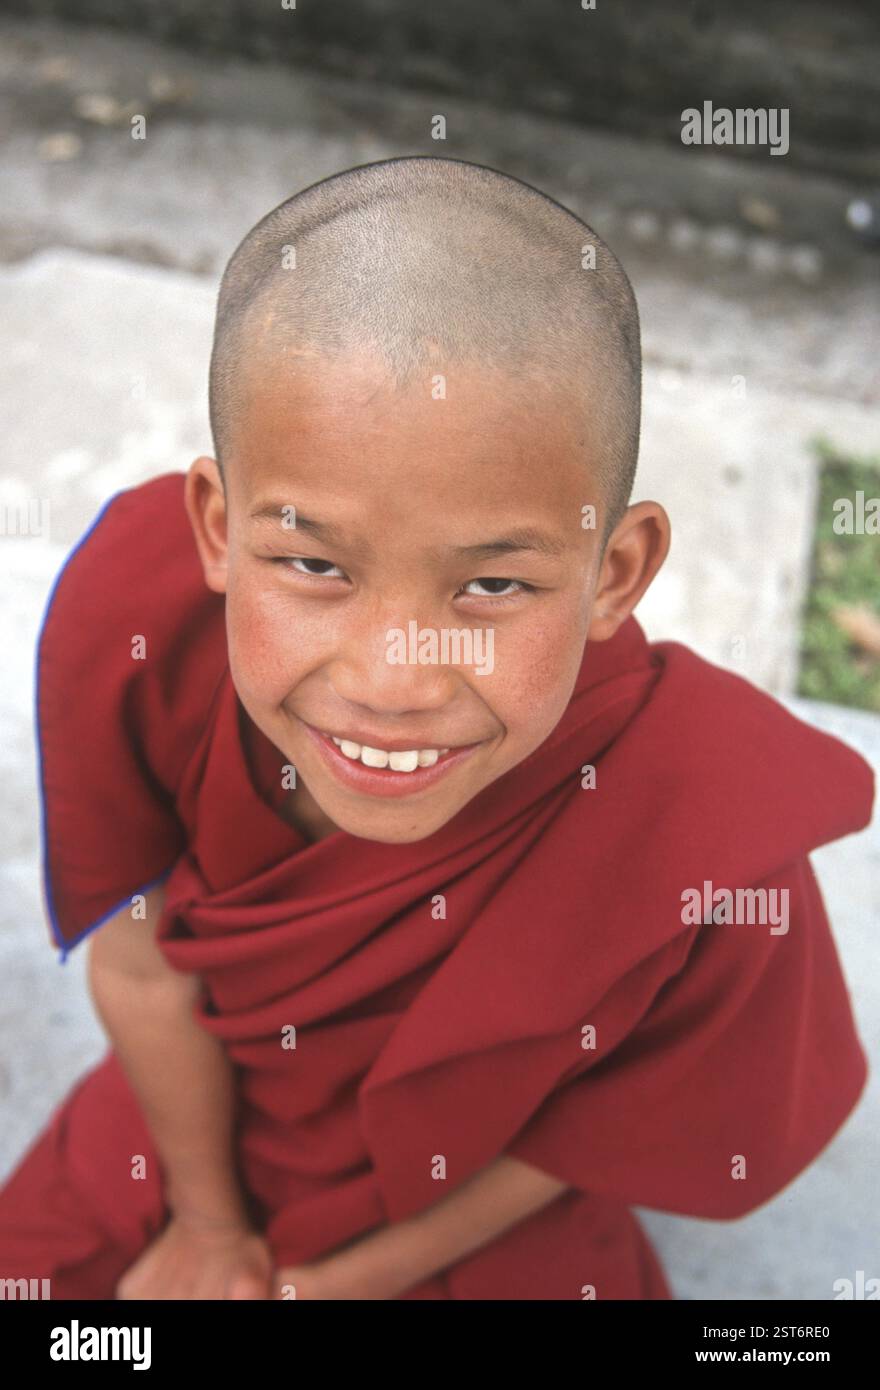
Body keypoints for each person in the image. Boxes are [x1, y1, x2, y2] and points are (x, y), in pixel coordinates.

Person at [0, 157, 872, 1300]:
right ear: (215, 528)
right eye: (314, 565)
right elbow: (142, 970)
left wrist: (337, 1285)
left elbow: (583, 1135)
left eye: (492, 589)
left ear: (617, 573)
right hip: (193, 1121)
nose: (394, 679)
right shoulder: (142, 628)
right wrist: (212, 1228)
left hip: (456, 1216)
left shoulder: (695, 809)